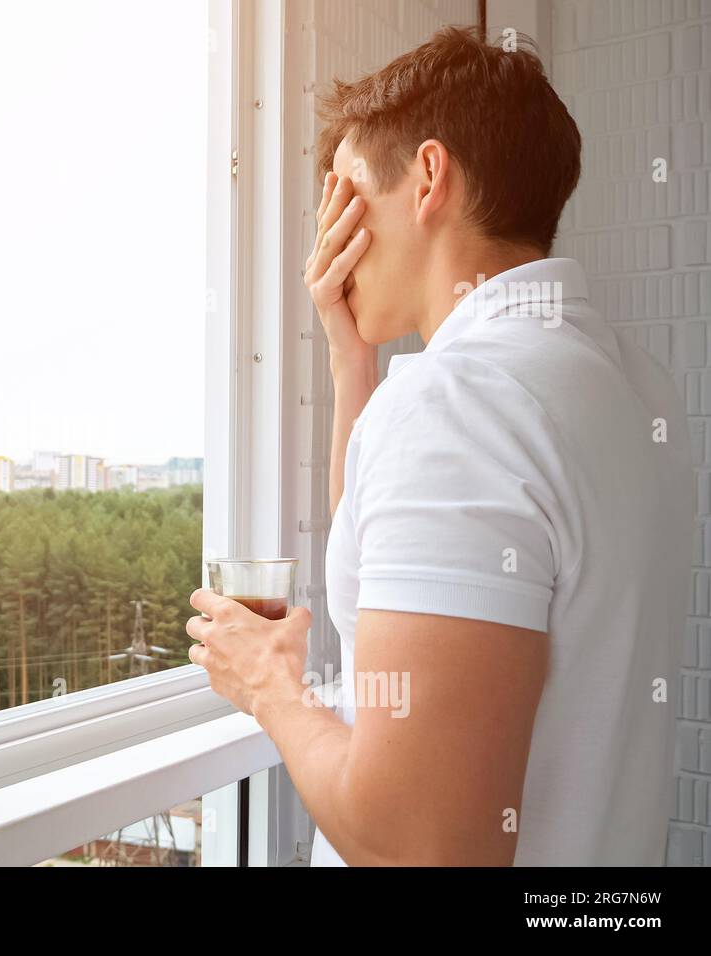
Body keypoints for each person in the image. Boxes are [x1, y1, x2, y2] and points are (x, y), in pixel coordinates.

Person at [186, 25, 694, 865]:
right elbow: (400, 553)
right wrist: (355, 365)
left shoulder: (456, 406)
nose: (327, 242)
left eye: (344, 197)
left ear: (428, 178)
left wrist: (269, 686)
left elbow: (422, 846)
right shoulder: (629, 384)